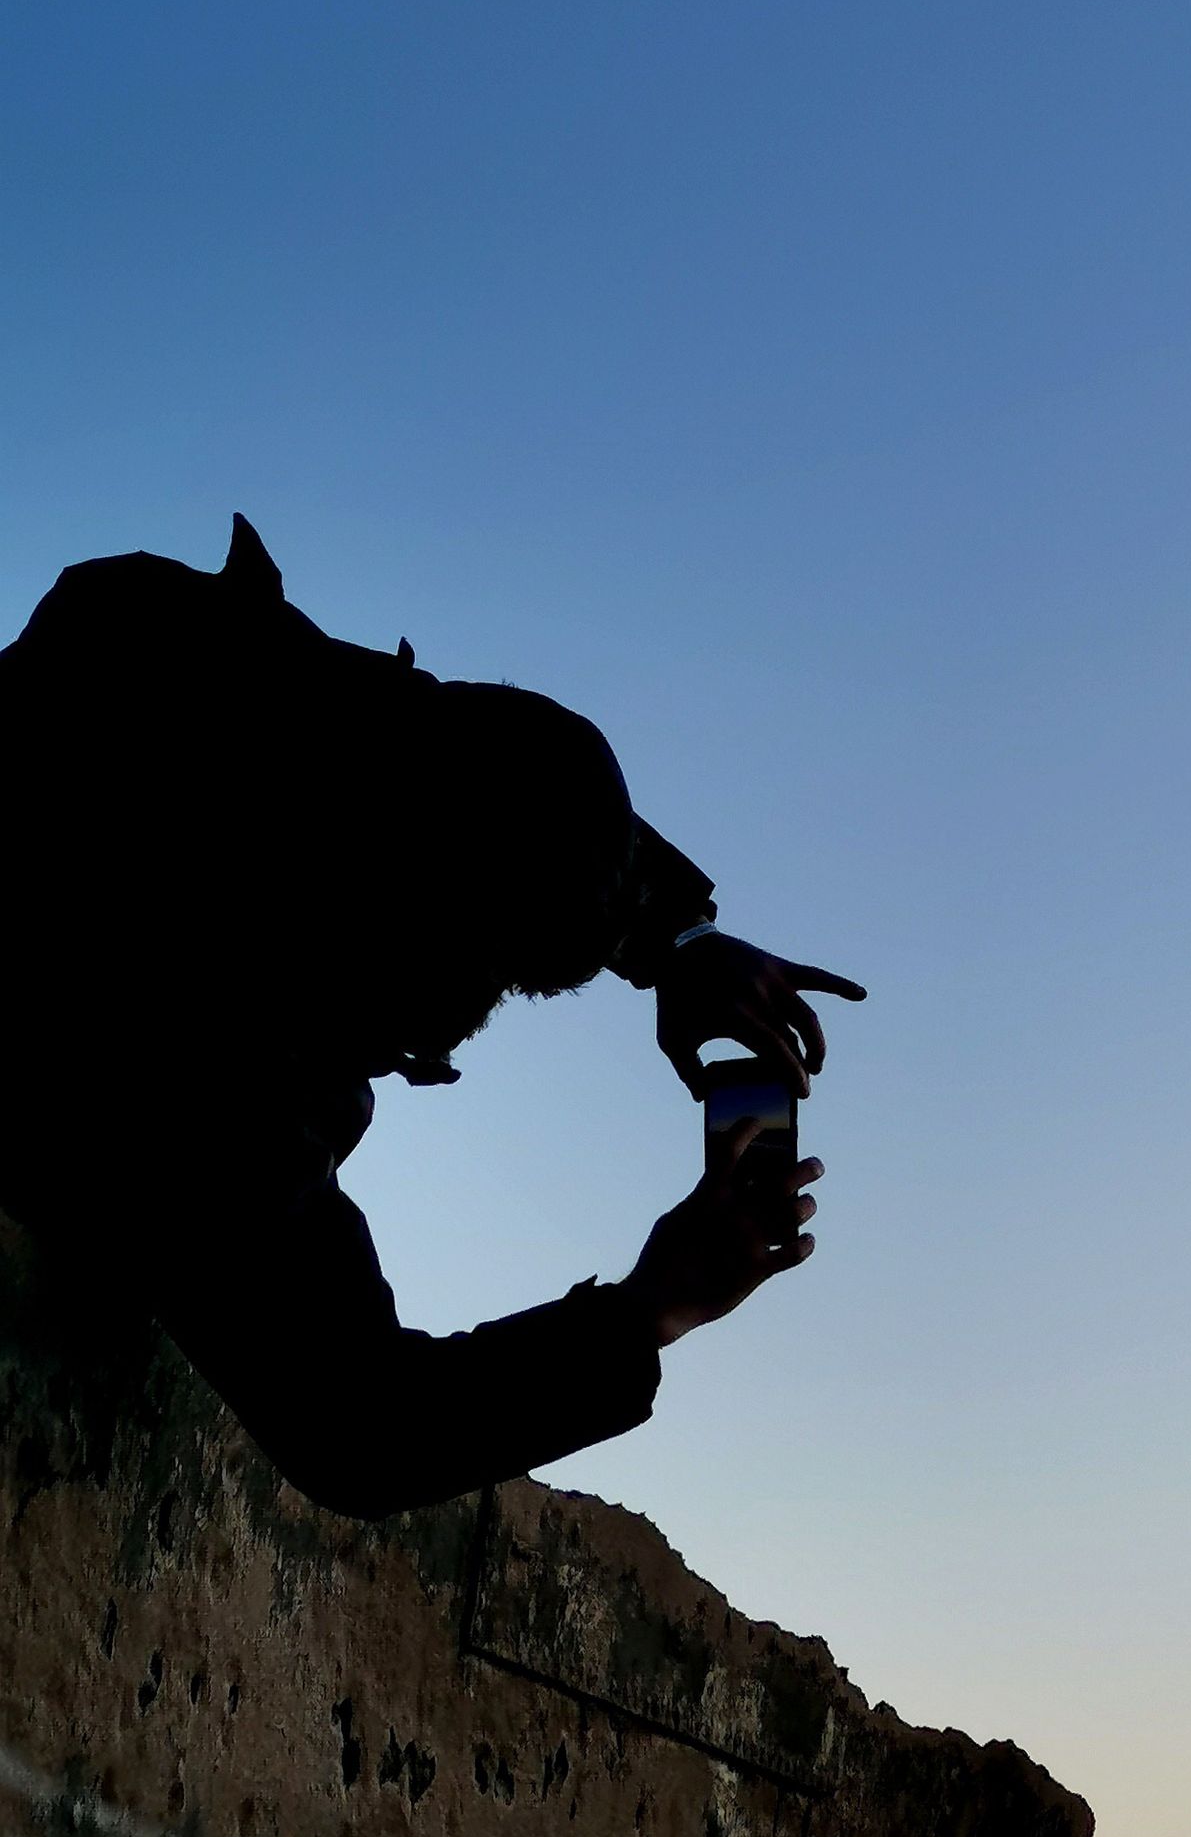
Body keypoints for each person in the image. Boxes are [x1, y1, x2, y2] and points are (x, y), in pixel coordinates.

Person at [0, 515, 860, 1517]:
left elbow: (457, 760)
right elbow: (367, 1428)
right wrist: (646, 1310)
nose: (453, 1031)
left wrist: (672, 940)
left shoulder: (185, 655)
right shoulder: (202, 1101)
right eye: (471, 992)